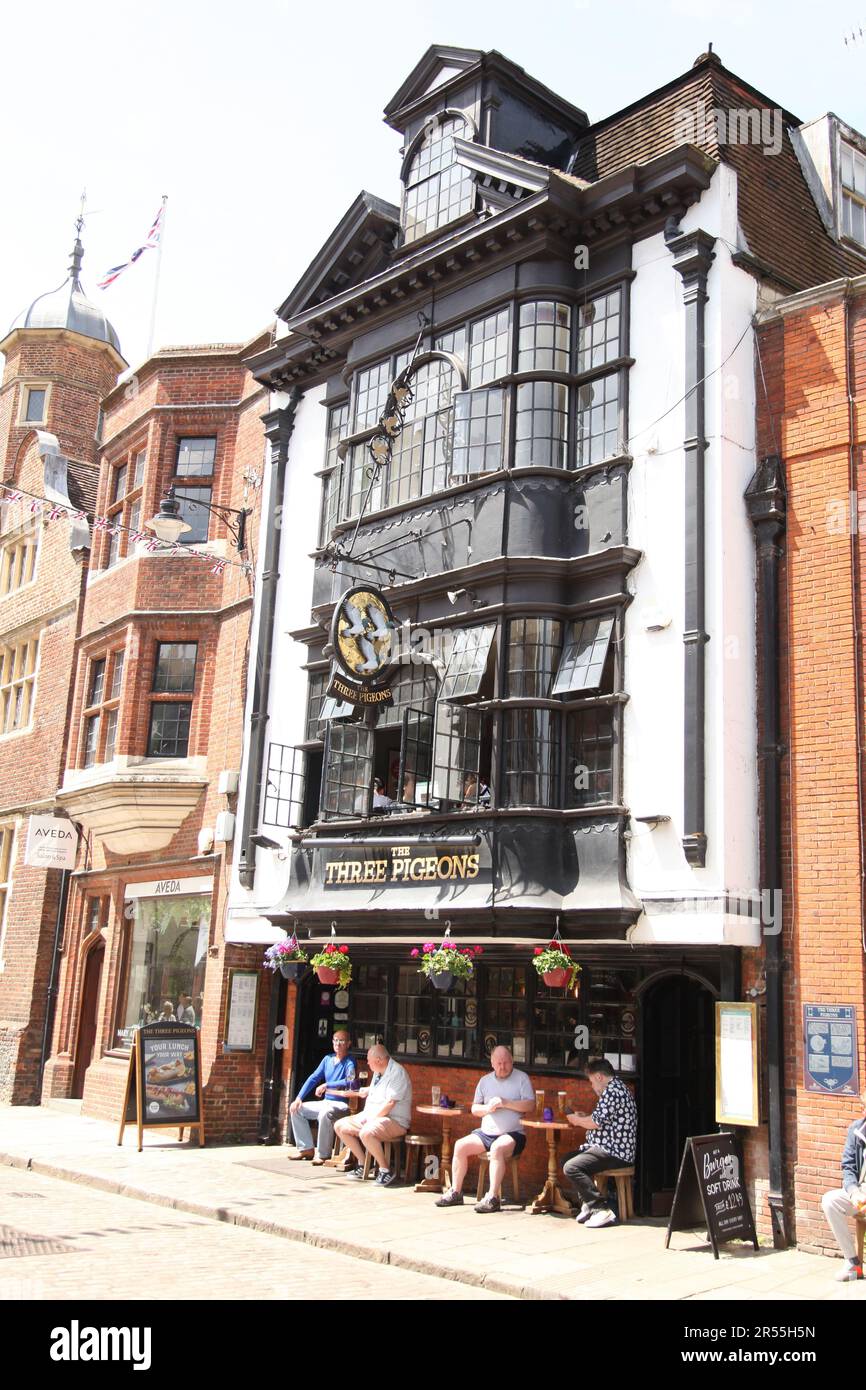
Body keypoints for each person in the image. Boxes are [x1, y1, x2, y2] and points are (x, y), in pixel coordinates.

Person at [436, 1045, 534, 1213]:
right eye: (499, 1063)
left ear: (512, 1061)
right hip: (486, 1133)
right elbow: (474, 1109)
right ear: (492, 1063)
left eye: (506, 1063)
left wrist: (506, 1102)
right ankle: (456, 1192)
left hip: (512, 1133)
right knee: (460, 1145)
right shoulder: (485, 1081)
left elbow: (531, 1105)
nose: (502, 1067)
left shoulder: (522, 1078)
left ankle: (493, 1197)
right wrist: (488, 1108)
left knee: (497, 1148)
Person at [562, 1057, 637, 1227]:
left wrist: (575, 1119)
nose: (592, 1086)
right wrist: (583, 1118)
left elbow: (594, 1123)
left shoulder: (613, 1091)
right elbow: (599, 1120)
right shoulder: (616, 1088)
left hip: (615, 1151)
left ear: (599, 1077)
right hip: (607, 1147)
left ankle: (601, 1209)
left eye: (591, 1082)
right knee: (567, 1159)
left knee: (572, 1167)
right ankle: (588, 1204)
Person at [333, 1043, 412, 1186]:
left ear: (379, 1060)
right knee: (340, 1126)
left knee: (366, 1132)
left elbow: (390, 1103)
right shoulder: (378, 1071)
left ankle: (385, 1170)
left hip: (394, 1120)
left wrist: (372, 1119)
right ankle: (364, 1164)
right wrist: (368, 1090)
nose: (367, 1063)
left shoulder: (398, 1073)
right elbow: (381, 1088)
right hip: (371, 1116)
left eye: (369, 1060)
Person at [287, 1030, 357, 1165]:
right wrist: (299, 1098)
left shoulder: (350, 1061)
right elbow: (313, 1078)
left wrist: (327, 1085)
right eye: (335, 1040)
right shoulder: (327, 1059)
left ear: (348, 1044)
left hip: (341, 1104)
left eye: (342, 1041)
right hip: (326, 1102)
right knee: (296, 1109)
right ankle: (306, 1148)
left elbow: (351, 1082)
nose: (338, 1043)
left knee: (325, 1113)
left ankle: (323, 1154)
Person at [821, 1090, 866, 1280]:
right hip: (862, 1192)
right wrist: (854, 1192)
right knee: (830, 1201)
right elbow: (848, 1167)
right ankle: (853, 1263)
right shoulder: (857, 1130)